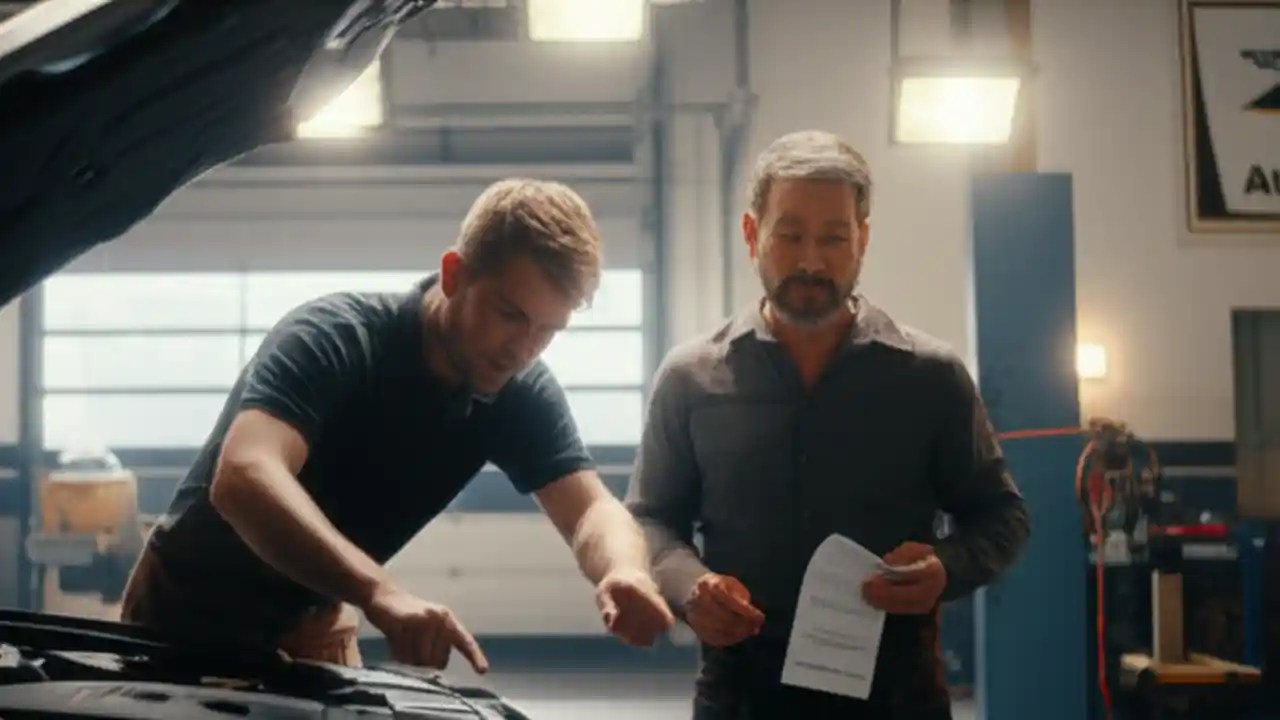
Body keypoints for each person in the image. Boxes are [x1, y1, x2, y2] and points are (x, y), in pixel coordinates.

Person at [121, 178, 675, 671]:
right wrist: (379, 590)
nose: (523, 350)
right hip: (185, 613)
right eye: (510, 315)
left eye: (548, 330)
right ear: (454, 274)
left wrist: (624, 570)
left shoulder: (516, 388)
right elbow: (243, 476)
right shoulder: (334, 336)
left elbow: (592, 509)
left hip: (314, 620)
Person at [624, 130, 1031, 719]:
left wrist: (946, 567)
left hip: (896, 699)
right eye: (789, 235)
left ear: (863, 238)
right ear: (751, 234)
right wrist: (691, 587)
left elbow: (1002, 516)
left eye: (834, 238)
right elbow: (649, 519)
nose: (811, 261)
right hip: (742, 697)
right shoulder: (691, 378)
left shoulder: (931, 377)